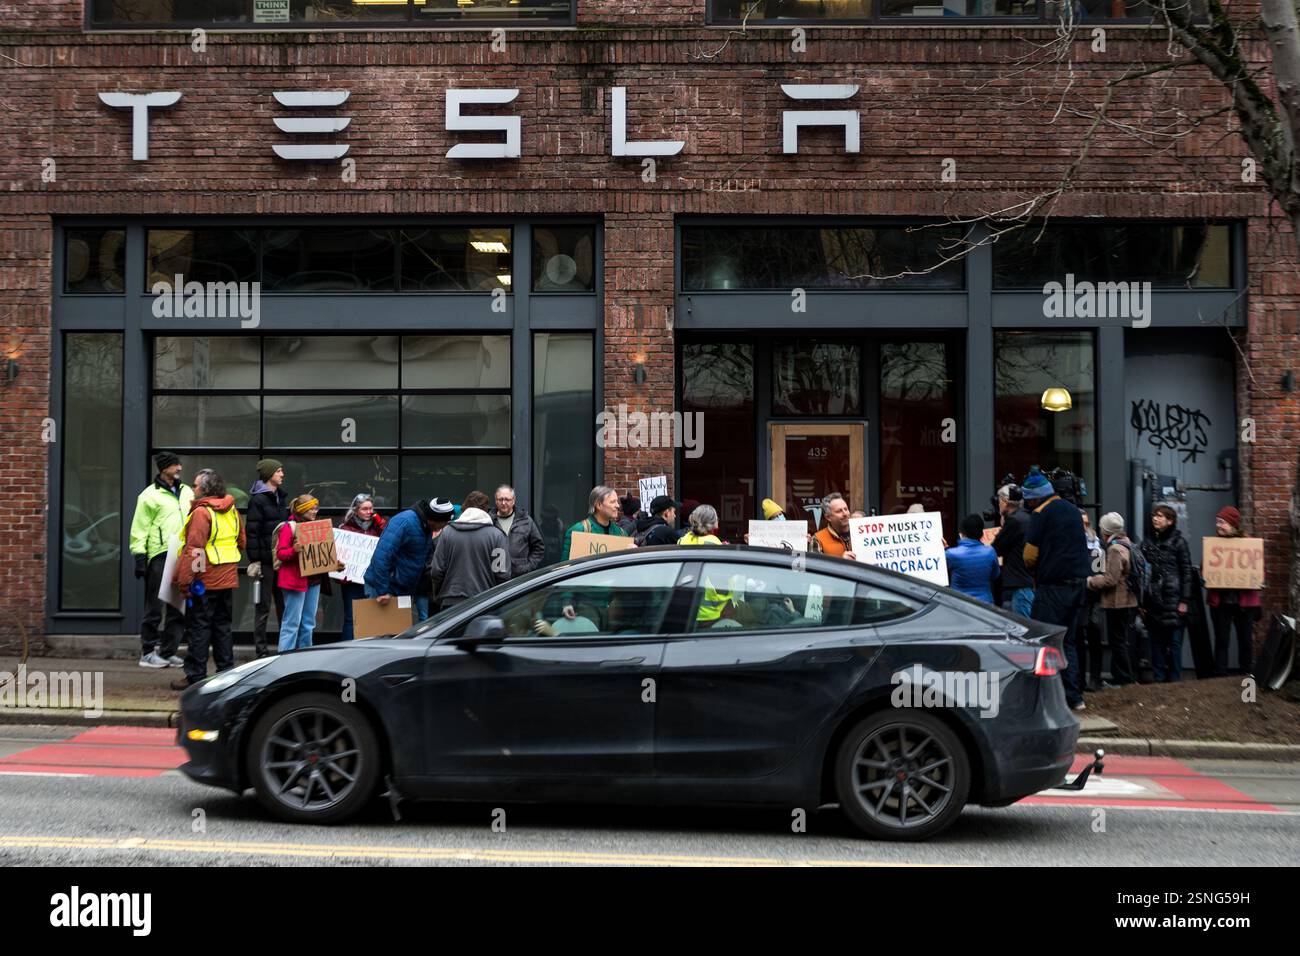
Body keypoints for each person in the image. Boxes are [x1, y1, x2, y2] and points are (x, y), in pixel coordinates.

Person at [1021, 467, 1091, 711]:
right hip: (1078, 584)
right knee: (1068, 641)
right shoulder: (1073, 511)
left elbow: (1030, 555)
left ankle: (1044, 697)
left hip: (1053, 587)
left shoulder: (1041, 514)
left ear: (1035, 497)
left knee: (1044, 639)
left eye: (1028, 498)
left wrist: (1035, 569)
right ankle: (1074, 697)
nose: (1027, 503)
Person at [170, 469, 245, 690]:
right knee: (222, 626)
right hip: (227, 578)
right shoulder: (231, 510)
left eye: (195, 485)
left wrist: (185, 581)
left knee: (199, 628)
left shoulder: (202, 513)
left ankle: (195, 676)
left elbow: (195, 550)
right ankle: (226, 673)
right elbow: (241, 541)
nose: (192, 489)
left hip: (205, 581)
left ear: (204, 489)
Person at [129, 451, 193, 668]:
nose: (180, 468)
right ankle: (147, 652)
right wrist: (140, 556)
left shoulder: (187, 492)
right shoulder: (149, 495)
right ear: (164, 468)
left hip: (182, 554)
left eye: (179, 464)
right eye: (176, 465)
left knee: (178, 605)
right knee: (154, 607)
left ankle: (168, 652)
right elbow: (139, 528)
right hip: (159, 554)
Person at [365, 497, 453, 621]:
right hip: (384, 589)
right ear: (435, 519)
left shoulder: (425, 527)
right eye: (443, 523)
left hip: (400, 589)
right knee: (377, 636)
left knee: (396, 636)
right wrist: (382, 591)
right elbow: (381, 557)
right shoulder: (404, 522)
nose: (442, 527)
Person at [1140, 504, 1193, 682]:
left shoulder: (1179, 542)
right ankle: (1158, 680)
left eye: (1160, 516)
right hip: (1154, 601)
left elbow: (1187, 572)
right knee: (1156, 643)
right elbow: (1142, 573)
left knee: (1175, 643)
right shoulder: (1148, 543)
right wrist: (1144, 601)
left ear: (1170, 521)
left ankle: (1175, 681)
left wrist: (1184, 600)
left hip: (1174, 600)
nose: (1155, 518)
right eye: (1154, 515)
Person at [1207, 505, 1262, 676]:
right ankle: (1220, 678)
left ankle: (1246, 677)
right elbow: (1206, 569)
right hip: (1222, 602)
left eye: (1222, 522)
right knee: (1221, 641)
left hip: (1244, 603)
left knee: (1245, 641)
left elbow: (1258, 570)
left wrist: (1258, 579)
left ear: (1232, 524)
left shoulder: (1248, 545)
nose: (1219, 526)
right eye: (1217, 522)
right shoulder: (1213, 546)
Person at [430, 501, 510, 611]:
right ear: (485, 511)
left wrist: (438, 595)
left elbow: (437, 570)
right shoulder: (497, 535)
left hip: (450, 601)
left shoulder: (447, 532)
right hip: (485, 603)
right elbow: (502, 574)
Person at [1086, 512, 1137, 686]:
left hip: (1118, 602)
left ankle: (1123, 679)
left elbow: (1110, 579)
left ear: (1105, 531)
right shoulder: (1127, 543)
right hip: (1127, 600)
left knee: (1118, 642)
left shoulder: (1115, 549)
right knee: (1120, 640)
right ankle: (1122, 678)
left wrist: (1091, 581)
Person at [245, 458, 288, 658]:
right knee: (263, 607)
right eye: (278, 471)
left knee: (283, 604)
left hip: (281, 560)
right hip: (265, 561)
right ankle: (261, 651)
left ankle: (285, 648)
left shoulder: (280, 497)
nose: (282, 474)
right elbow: (252, 531)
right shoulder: (258, 500)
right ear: (269, 474)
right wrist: (255, 560)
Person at [276, 494, 327, 652]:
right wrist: (294, 550)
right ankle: (284, 659)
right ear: (302, 510)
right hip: (295, 582)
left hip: (313, 580)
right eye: (311, 508)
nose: (315, 511)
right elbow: (281, 553)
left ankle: (305, 658)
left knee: (308, 623)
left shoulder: (318, 526)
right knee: (292, 623)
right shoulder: (288, 527)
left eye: (316, 508)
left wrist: (334, 565)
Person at [338, 493, 386, 641]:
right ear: (356, 510)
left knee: (370, 616)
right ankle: (348, 648)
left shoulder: (377, 527)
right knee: (351, 618)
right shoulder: (345, 529)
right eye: (364, 509)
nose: (369, 512)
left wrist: (380, 522)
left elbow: (389, 538)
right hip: (351, 581)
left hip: (371, 580)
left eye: (371, 508)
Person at [992, 483, 1034, 617]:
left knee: (1024, 630)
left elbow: (996, 548)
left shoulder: (1014, 521)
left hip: (1019, 584)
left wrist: (1003, 525)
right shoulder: (1027, 517)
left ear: (1004, 502)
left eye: (999, 501)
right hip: (1028, 582)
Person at [1078, 510, 1109, 690]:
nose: (1085, 527)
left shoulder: (1096, 546)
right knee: (1079, 641)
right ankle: (1080, 679)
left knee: (1095, 638)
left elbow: (1098, 572)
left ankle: (1095, 679)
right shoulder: (1071, 544)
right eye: (1081, 523)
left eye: (1087, 523)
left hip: (1093, 599)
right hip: (1079, 598)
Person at [491, 484, 547, 577]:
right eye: (500, 499)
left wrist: (528, 567)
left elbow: (539, 548)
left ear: (513, 500)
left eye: (507, 499)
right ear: (496, 501)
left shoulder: (525, 520)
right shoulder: (489, 521)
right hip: (494, 579)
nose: (503, 503)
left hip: (519, 579)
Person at [562, 485, 629, 559]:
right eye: (612, 502)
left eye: (617, 501)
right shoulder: (579, 531)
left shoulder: (622, 534)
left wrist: (632, 553)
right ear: (599, 505)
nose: (617, 506)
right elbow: (566, 566)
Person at [945, 513, 1000, 603]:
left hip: (960, 604)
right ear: (981, 533)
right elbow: (995, 575)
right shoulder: (990, 552)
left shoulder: (951, 554)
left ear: (961, 533)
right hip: (985, 603)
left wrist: (946, 549)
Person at [812, 492, 857, 560]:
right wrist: (841, 561)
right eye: (839, 511)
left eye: (846, 509)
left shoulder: (861, 532)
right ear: (828, 517)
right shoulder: (818, 539)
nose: (845, 513)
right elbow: (815, 567)